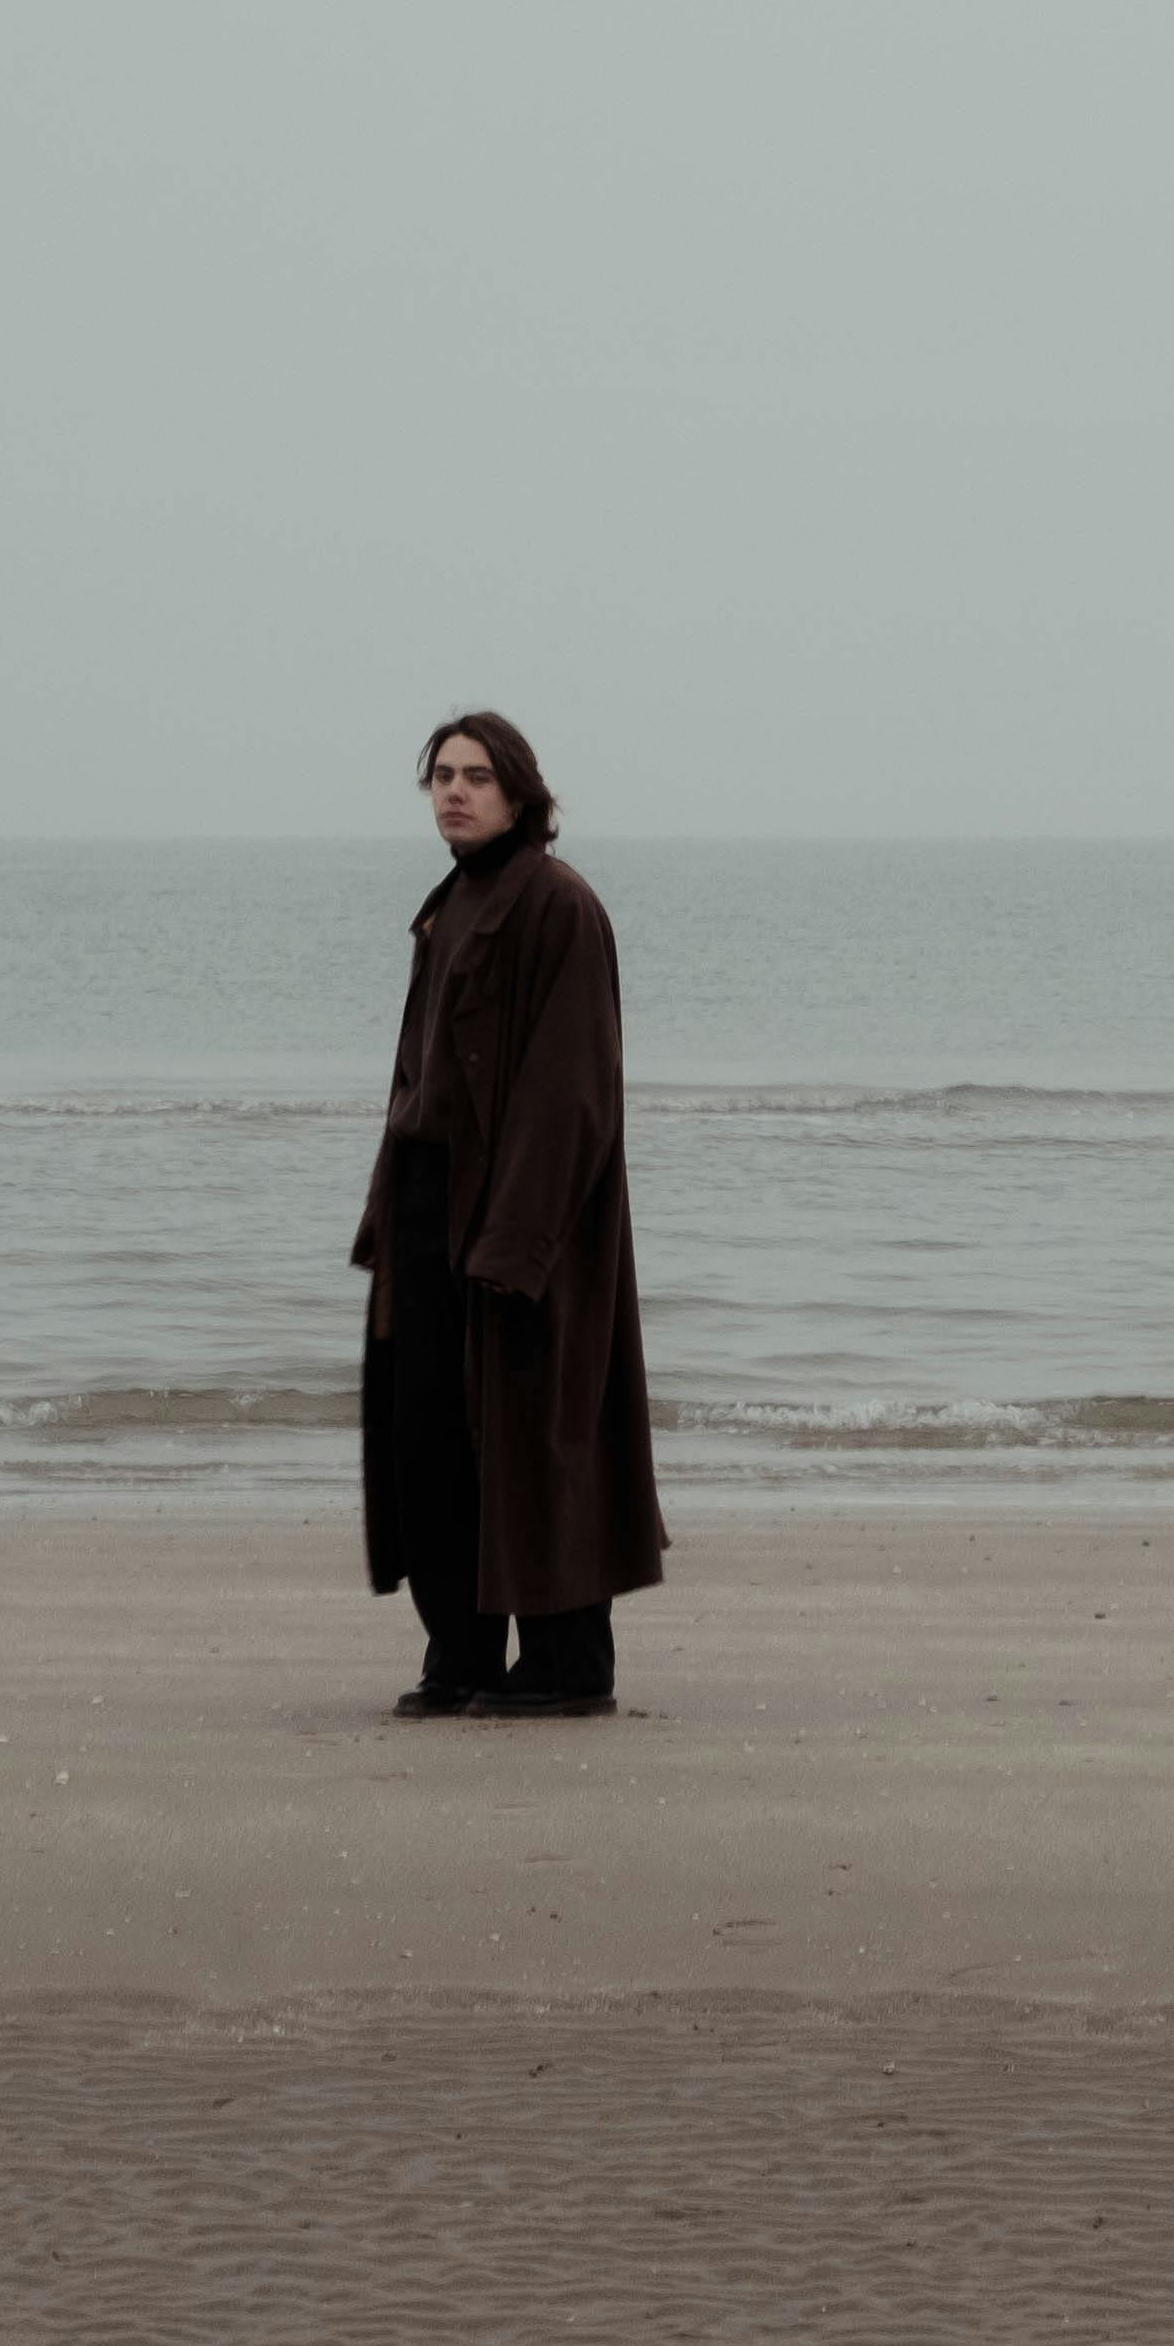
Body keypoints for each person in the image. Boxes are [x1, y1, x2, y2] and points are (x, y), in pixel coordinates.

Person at [353, 711, 663, 1716]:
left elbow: (571, 1090)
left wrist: (517, 1243)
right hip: (431, 1209)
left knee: (536, 1438)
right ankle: (465, 1656)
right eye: (440, 775)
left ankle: (571, 1666)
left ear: (519, 792)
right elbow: (422, 1084)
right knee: (431, 1439)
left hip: (523, 1224)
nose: (454, 791)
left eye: (476, 776)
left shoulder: (556, 905)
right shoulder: (450, 903)